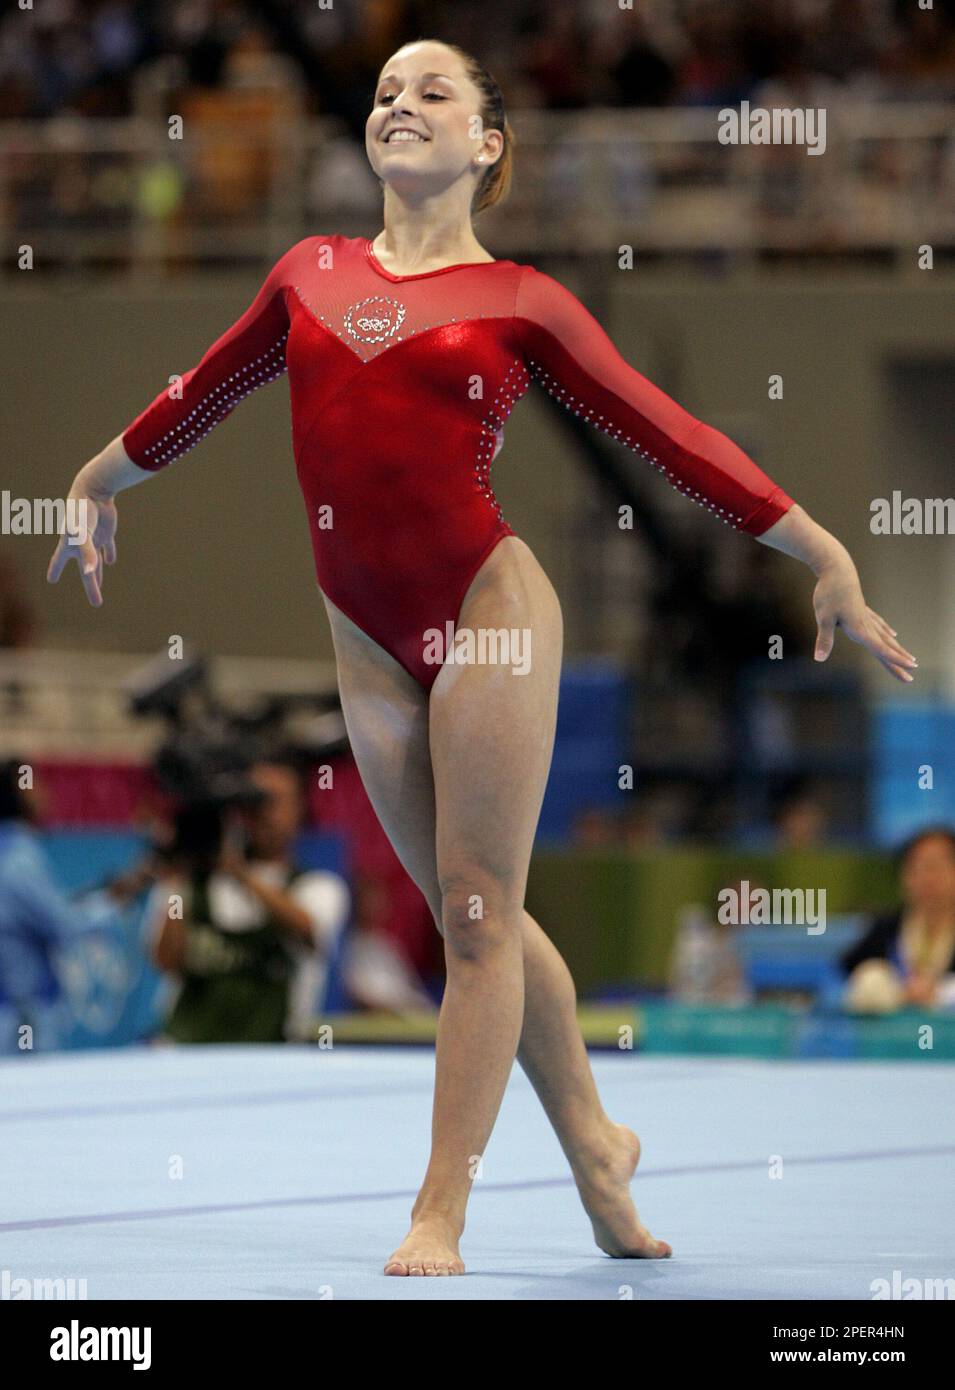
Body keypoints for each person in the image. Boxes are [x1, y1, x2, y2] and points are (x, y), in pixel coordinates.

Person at [47, 38, 918, 1275]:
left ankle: (440, 1208)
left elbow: (666, 433)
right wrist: (95, 474)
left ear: (486, 143)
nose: (399, 103)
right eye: (385, 91)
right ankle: (599, 1153)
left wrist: (818, 544)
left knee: (475, 917)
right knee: (484, 919)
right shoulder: (308, 272)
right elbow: (201, 390)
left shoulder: (520, 299)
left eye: (432, 91)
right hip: (361, 632)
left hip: (488, 609)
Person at [148, 758, 349, 1044]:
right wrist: (178, 880)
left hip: (270, 1056)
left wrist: (239, 873)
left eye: (273, 802)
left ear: (299, 810)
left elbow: (308, 932)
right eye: (253, 802)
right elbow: (166, 961)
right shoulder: (194, 884)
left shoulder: (318, 886)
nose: (263, 814)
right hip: (185, 1051)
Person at [0, 756, 144, 1052]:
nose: (44, 793)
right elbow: (63, 925)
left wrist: (103, 897)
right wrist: (113, 902)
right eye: (32, 785)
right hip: (20, 1018)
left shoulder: (13, 851)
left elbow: (38, 913)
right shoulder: (19, 857)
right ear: (15, 794)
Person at [841, 827, 955, 1013]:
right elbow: (846, 972)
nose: (927, 878)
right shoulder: (886, 928)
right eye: (917, 867)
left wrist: (940, 993)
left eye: (936, 867)